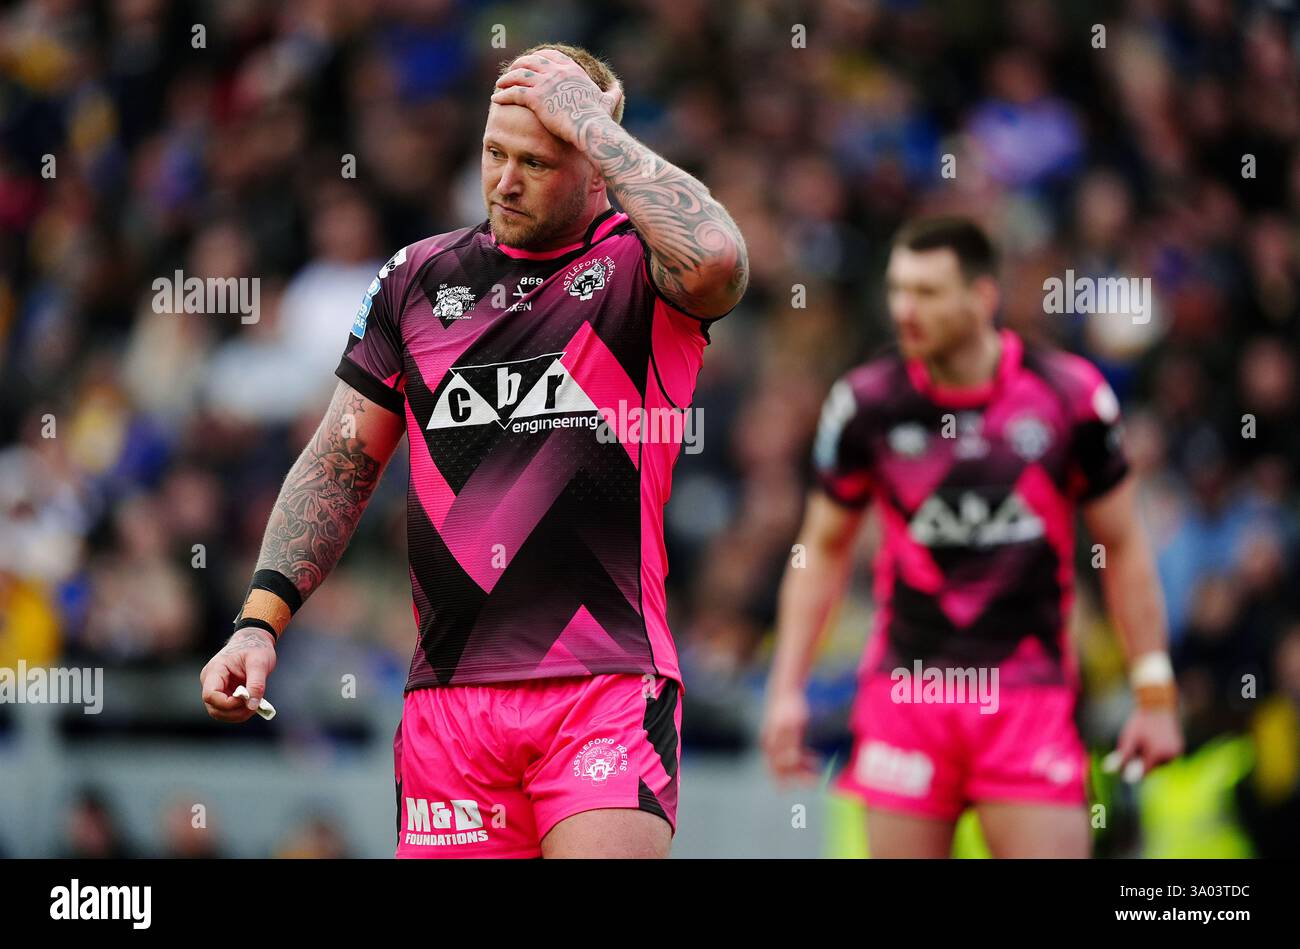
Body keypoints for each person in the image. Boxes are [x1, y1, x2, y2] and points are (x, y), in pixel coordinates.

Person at [199, 44, 747, 859]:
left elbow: (719, 259)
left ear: (597, 164)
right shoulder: (416, 280)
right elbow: (339, 462)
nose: (505, 181)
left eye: (537, 160)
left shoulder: (642, 270)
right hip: (450, 704)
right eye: (494, 153)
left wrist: (590, 120)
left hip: (604, 682)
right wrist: (258, 622)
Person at [760, 217, 1181, 857]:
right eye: (898, 290)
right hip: (907, 696)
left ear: (983, 297)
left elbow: (1122, 545)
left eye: (927, 292)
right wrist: (786, 689)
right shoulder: (866, 404)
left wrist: (1153, 692)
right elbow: (820, 547)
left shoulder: (1070, 398)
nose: (905, 309)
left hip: (1029, 698)